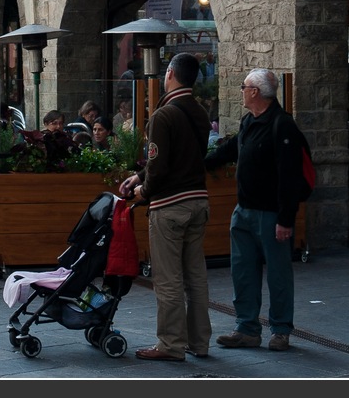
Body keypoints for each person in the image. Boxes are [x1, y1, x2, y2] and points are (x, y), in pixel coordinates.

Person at [118, 52, 212, 362]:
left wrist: (142, 189)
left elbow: (159, 167)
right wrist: (139, 175)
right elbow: (187, 156)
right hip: (198, 200)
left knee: (169, 278)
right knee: (195, 276)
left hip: (171, 206)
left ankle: (170, 344)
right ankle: (199, 342)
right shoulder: (200, 111)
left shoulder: (163, 115)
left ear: (170, 73)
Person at [205, 67, 305, 353]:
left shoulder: (282, 125)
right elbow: (231, 149)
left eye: (244, 86)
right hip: (244, 211)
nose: (241, 91)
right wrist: (200, 163)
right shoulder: (250, 121)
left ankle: (281, 330)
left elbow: (290, 176)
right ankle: (246, 328)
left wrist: (286, 219)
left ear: (255, 92)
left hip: (272, 214)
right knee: (243, 272)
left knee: (278, 274)